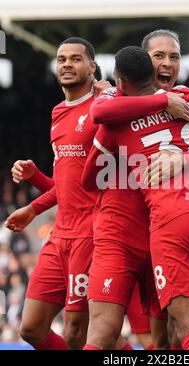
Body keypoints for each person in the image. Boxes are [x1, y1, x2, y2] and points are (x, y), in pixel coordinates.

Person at [82, 45, 189, 350]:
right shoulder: (183, 101)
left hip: (168, 220)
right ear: (150, 68)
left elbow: (89, 176)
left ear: (120, 81)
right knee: (183, 330)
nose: (168, 63)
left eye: (174, 56)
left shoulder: (118, 117)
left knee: (187, 328)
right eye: (160, 56)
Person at [5, 37, 132, 350]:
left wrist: (113, 96)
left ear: (92, 66)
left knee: (80, 331)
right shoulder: (58, 113)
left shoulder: (104, 106)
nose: (67, 65)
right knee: (31, 328)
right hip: (60, 235)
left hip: (92, 235)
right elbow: (67, 186)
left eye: (76, 59)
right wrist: (34, 197)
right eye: (62, 59)